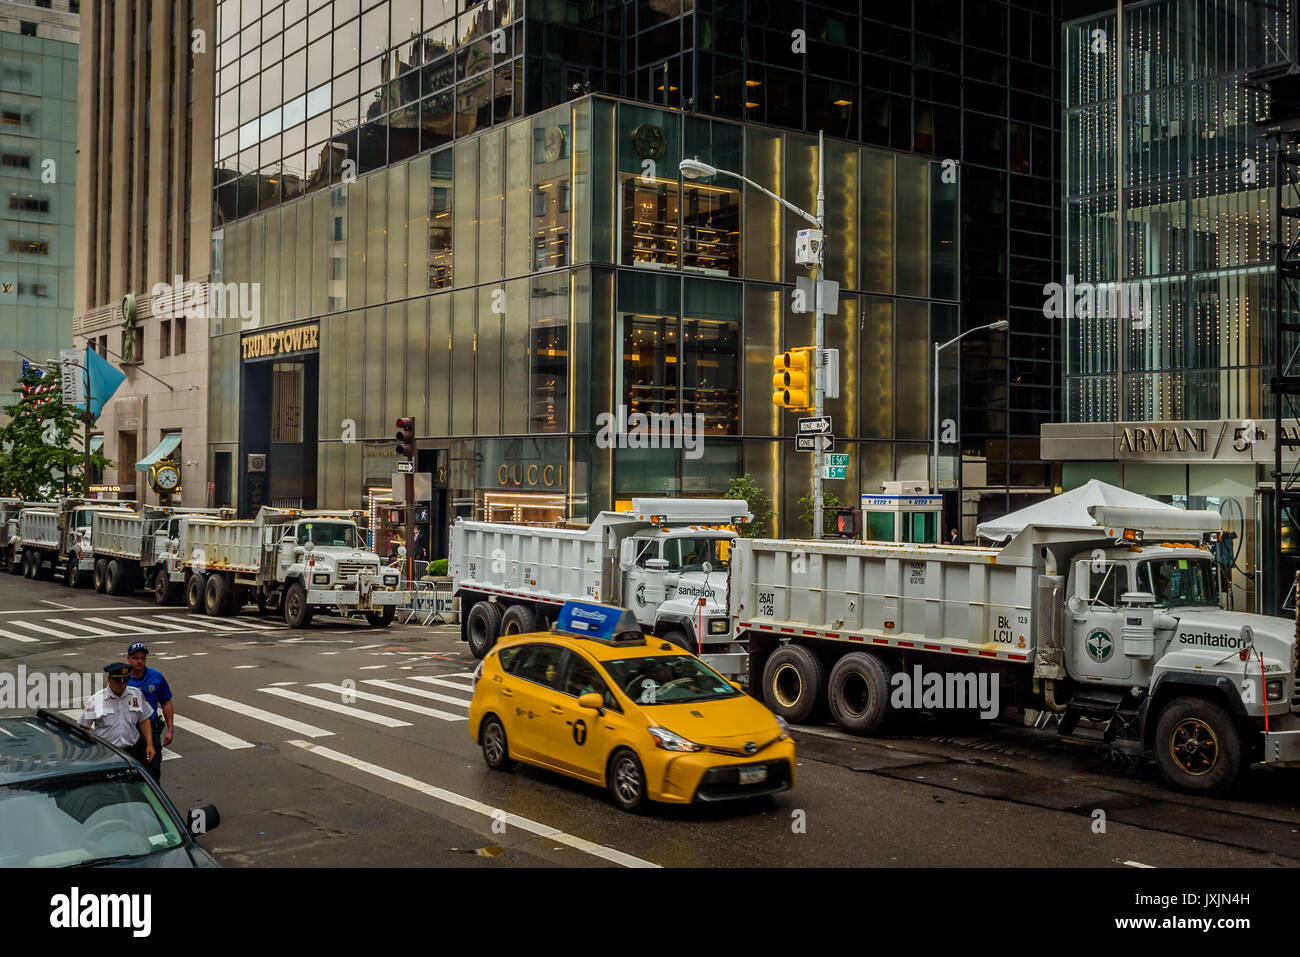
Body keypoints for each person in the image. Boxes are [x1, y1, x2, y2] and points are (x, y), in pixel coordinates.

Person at [78, 662, 154, 770]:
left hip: (132, 751)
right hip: (106, 753)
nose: (122, 685)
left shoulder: (136, 695)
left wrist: (149, 744)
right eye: (118, 682)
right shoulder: (96, 700)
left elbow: (144, 720)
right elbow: (84, 727)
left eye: (125, 681)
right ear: (109, 680)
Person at [126, 642, 174, 783]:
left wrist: (170, 729)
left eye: (142, 658)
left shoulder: (156, 677)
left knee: (153, 770)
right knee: (130, 771)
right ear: (128, 659)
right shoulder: (123, 678)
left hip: (150, 730)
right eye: (135, 658)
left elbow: (166, 702)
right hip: (130, 730)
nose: (139, 661)